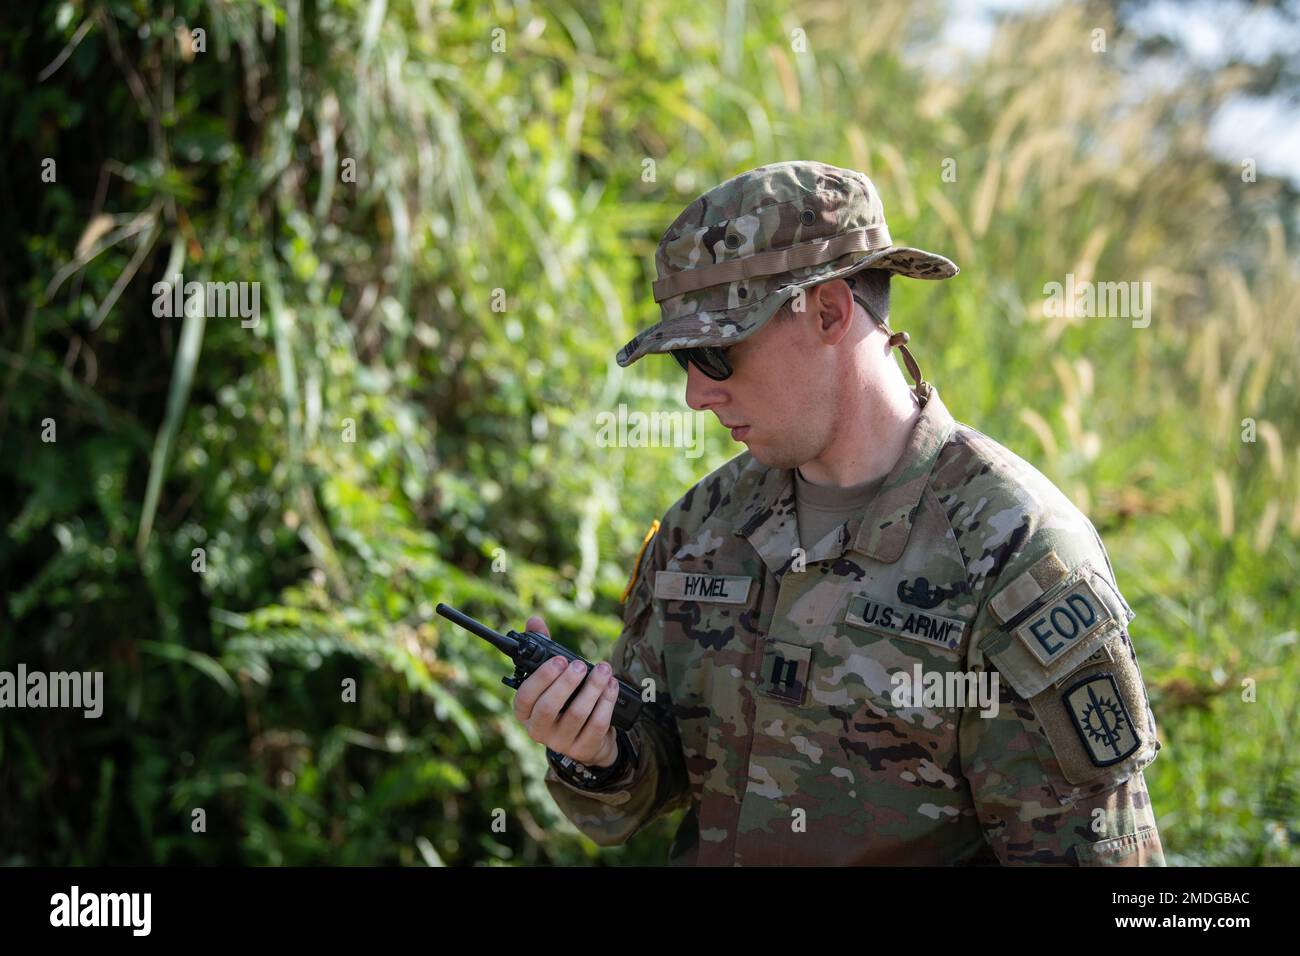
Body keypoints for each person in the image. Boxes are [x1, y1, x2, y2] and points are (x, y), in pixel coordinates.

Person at [513, 160, 1165, 865]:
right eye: (683, 362)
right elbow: (654, 779)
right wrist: (597, 750)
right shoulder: (703, 525)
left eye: (715, 352)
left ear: (828, 311)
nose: (696, 396)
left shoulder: (1016, 552)